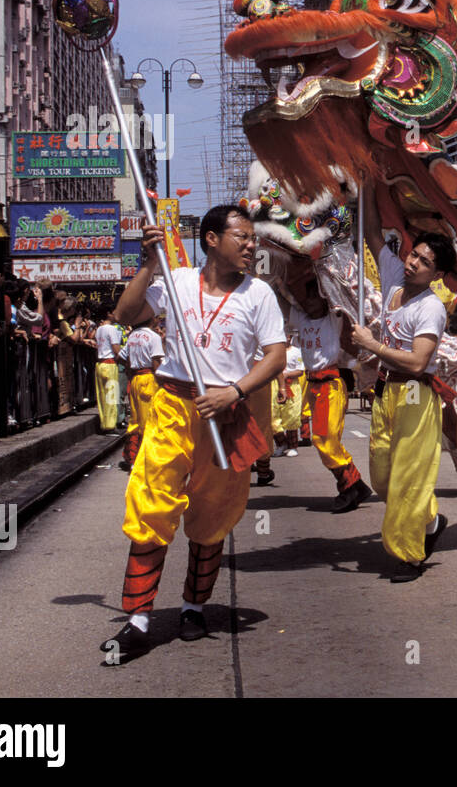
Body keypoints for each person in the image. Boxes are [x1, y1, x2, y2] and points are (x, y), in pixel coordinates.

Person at [101, 206, 286, 663]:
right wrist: (147, 263)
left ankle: (192, 608)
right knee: (152, 501)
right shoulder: (177, 281)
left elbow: (276, 356)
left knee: (212, 511)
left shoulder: (258, 294)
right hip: (171, 406)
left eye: (251, 238)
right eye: (240, 237)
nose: (249, 245)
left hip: (226, 413)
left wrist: (235, 391)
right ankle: (139, 619)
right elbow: (125, 314)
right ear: (210, 239)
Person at [351, 180, 454, 583]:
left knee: (410, 479)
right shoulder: (394, 277)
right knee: (382, 477)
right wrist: (369, 179)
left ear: (437, 274)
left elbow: (417, 362)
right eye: (414, 255)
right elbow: (374, 231)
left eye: (424, 262)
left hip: (415, 395)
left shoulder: (431, 309)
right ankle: (430, 522)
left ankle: (411, 554)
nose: (413, 263)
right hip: (386, 394)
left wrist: (371, 346)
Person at [291, 278, 372, 513]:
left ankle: (349, 486)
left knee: (324, 439)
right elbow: (283, 301)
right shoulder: (301, 318)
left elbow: (341, 296)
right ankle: (355, 485)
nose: (309, 303)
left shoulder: (333, 318)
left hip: (330, 385)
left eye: (314, 297)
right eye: (306, 298)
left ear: (323, 298)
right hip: (312, 386)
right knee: (323, 439)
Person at [117, 317, 164, 471]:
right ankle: (146, 460)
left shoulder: (133, 335)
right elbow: (156, 362)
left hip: (136, 380)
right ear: (152, 319)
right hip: (149, 380)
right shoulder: (153, 337)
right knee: (150, 420)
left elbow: (121, 357)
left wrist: (132, 370)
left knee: (136, 419)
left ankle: (132, 457)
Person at [94, 304, 123, 433]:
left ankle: (105, 424)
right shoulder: (111, 329)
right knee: (112, 397)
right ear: (108, 313)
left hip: (100, 364)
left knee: (102, 397)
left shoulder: (99, 329)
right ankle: (110, 427)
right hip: (110, 365)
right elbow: (116, 349)